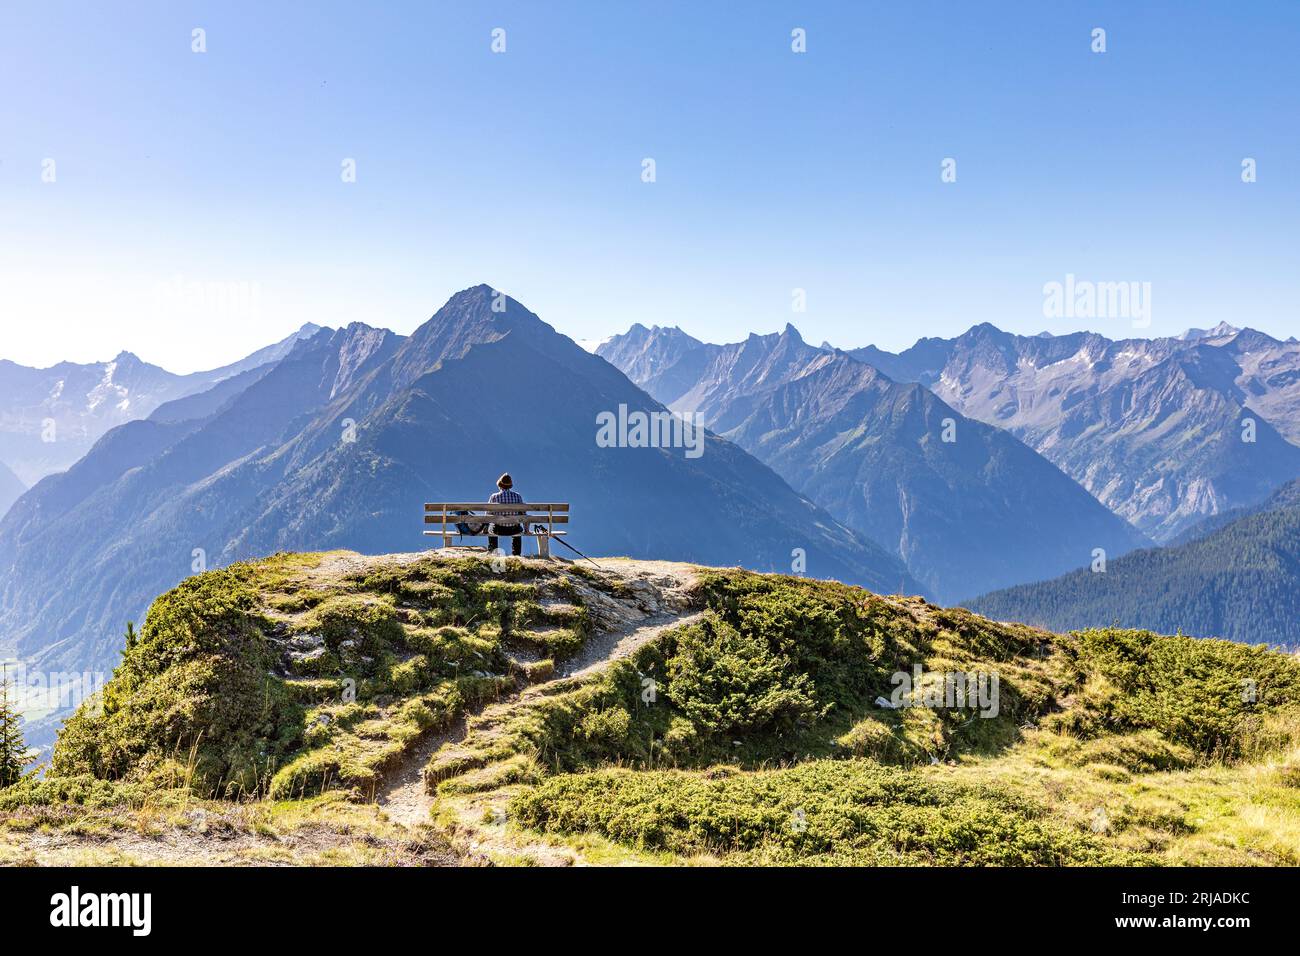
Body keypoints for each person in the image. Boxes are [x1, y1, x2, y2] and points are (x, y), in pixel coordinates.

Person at [487, 473, 525, 557]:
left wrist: (485, 529)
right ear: (510, 485)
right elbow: (523, 514)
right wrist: (527, 530)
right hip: (514, 529)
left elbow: (488, 515)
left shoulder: (494, 497)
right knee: (518, 527)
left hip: (498, 529)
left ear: (499, 485)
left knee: (490, 528)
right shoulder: (517, 496)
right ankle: (516, 554)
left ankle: (493, 552)